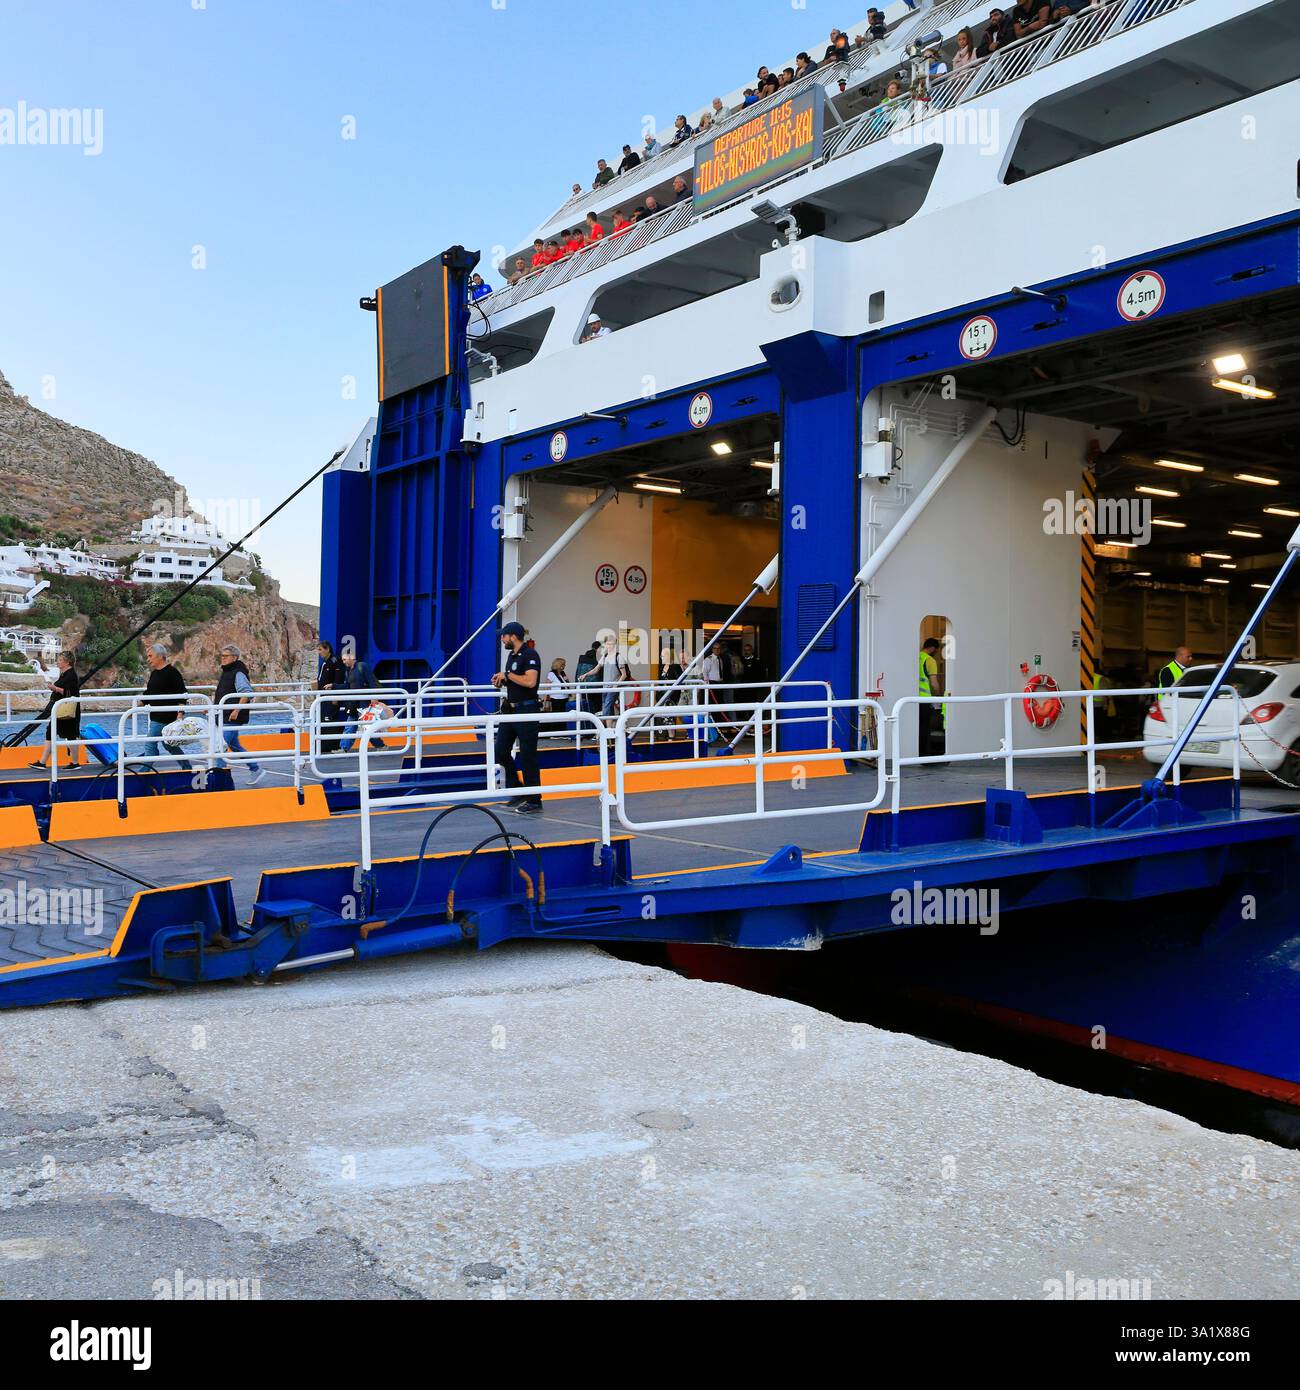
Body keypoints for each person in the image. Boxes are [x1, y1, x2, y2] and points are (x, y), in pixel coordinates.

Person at [492, 621, 543, 814]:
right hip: (511, 711)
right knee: (501, 750)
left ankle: (534, 799)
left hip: (527, 710)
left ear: (513, 636)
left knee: (528, 754)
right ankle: (519, 790)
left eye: (504, 636)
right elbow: (514, 679)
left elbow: (530, 681)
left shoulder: (530, 655)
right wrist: (502, 681)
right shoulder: (511, 656)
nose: (502, 639)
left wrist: (508, 675)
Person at [214, 643, 263, 784]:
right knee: (235, 746)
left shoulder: (238, 673)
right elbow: (222, 693)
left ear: (234, 657)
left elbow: (247, 692)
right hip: (224, 715)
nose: (222, 658)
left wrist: (236, 710)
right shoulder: (227, 672)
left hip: (232, 716)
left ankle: (219, 778)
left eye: (225, 656)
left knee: (221, 746)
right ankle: (256, 769)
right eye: (221, 656)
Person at [141, 642, 191, 770]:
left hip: (166, 717)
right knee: (169, 745)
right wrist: (135, 706)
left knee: (150, 744)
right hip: (156, 716)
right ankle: (186, 767)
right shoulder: (154, 674)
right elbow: (149, 693)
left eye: (150, 656)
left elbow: (182, 694)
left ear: (160, 656)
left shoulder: (172, 673)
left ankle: (145, 770)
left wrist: (180, 715)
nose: (148, 659)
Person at [29, 650, 80, 769]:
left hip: (66, 709)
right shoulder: (66, 674)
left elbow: (70, 692)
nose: (58, 662)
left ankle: (43, 762)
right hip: (62, 709)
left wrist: (54, 688)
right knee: (66, 734)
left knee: (65, 734)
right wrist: (55, 687)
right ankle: (73, 762)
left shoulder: (71, 675)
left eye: (60, 660)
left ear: (67, 662)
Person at [337, 647, 379, 754]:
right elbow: (347, 686)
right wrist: (333, 686)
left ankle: (380, 744)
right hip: (354, 703)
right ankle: (344, 747)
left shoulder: (362, 666)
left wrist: (374, 697)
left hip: (364, 702)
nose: (343, 662)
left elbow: (372, 681)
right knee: (350, 725)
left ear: (351, 657)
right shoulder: (348, 671)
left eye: (344, 659)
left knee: (366, 726)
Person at [316, 638, 346, 752]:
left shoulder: (335, 661)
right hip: (322, 697)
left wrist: (335, 697)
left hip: (330, 697)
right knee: (322, 719)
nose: (319, 652)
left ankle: (332, 745)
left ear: (327, 649)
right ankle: (322, 745)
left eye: (320, 650)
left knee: (330, 719)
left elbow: (338, 680)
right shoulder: (325, 662)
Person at [918, 636, 945, 757]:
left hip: (912, 699)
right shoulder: (929, 661)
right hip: (924, 700)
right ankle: (925, 754)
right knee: (925, 728)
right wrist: (939, 697)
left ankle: (916, 752)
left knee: (917, 727)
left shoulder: (916, 657)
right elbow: (934, 683)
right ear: (933, 648)